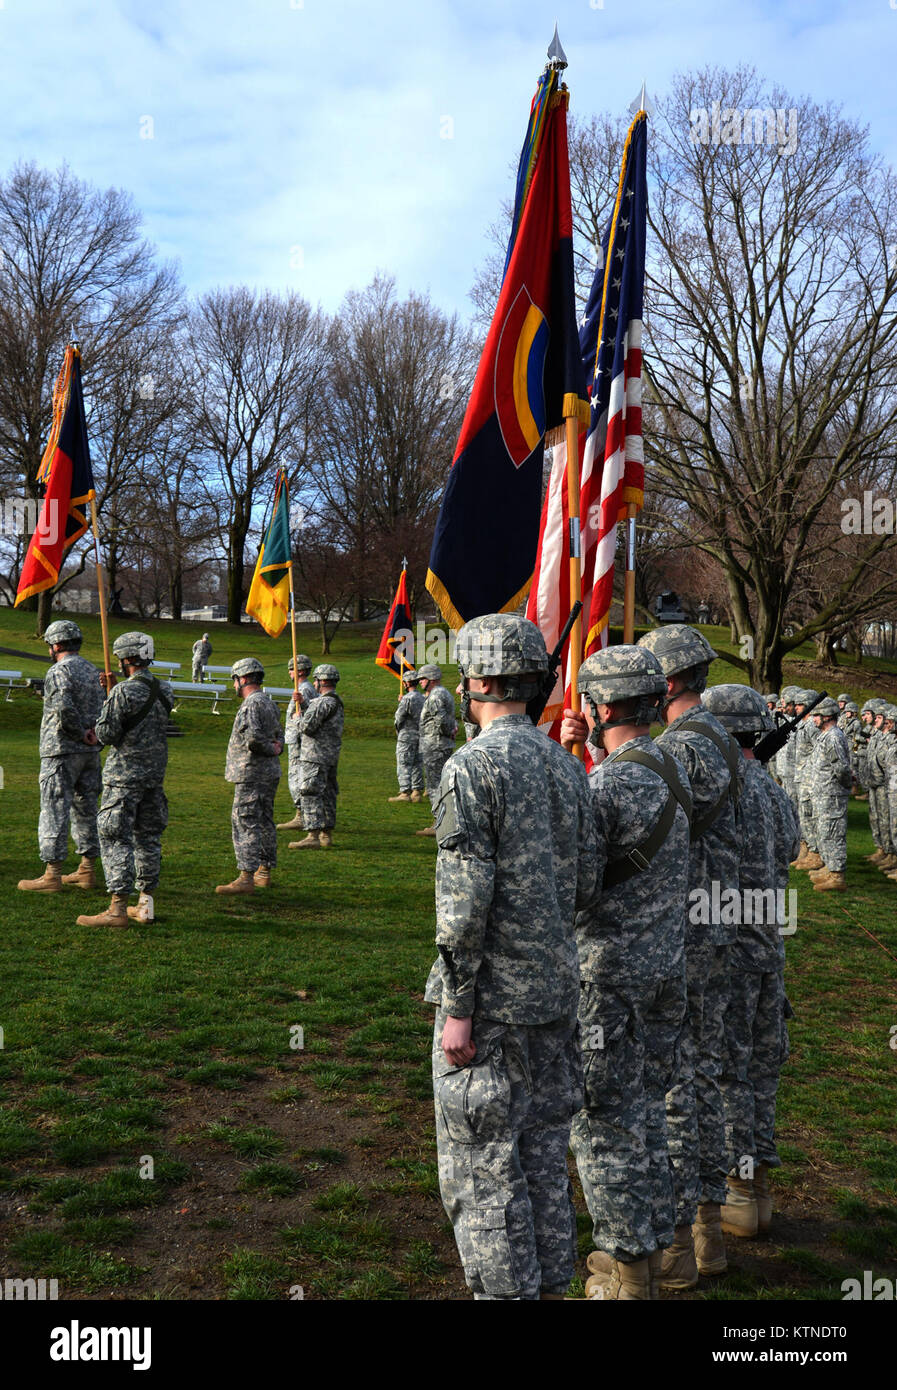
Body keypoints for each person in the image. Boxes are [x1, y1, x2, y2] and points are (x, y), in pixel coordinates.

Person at [424, 614, 598, 1300]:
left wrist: (458, 1008)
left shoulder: (472, 764)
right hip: (555, 997)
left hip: (491, 1006)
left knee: (482, 1174)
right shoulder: (563, 762)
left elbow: (463, 904)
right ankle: (546, 1287)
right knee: (540, 1162)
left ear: (483, 680)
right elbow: (586, 884)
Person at [561, 646, 691, 1301]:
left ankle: (626, 1268)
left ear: (603, 705)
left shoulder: (605, 785)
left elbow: (576, 884)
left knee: (605, 1123)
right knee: (652, 1114)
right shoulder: (672, 766)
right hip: (668, 968)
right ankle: (672, 1252)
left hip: (608, 978)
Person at [703, 686, 798, 1238]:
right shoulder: (771, 788)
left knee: (727, 1079)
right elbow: (789, 849)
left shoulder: (724, 788)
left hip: (730, 957)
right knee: (762, 1075)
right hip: (768, 952)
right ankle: (757, 1189)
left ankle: (737, 1192)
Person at [75, 632, 172, 927]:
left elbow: (106, 734)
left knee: (115, 837)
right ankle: (146, 905)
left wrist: (110, 699)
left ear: (126, 658)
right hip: (153, 776)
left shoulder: (122, 693)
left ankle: (117, 909)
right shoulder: (164, 688)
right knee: (148, 839)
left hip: (124, 777)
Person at [18, 620, 104, 894]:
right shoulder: (94, 671)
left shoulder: (58, 671)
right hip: (90, 752)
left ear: (56, 645)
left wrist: (79, 733)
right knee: (87, 809)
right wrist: (93, 735)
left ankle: (52, 874)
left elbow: (63, 709)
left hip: (62, 750)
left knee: (55, 809)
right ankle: (86, 870)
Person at [216, 658, 283, 894]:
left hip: (251, 772)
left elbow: (254, 739)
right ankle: (263, 872)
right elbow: (279, 736)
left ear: (242, 679)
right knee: (265, 821)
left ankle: (246, 877)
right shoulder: (269, 703)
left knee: (245, 821)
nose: (234, 685)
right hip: (268, 772)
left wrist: (270, 748)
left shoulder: (251, 705)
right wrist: (276, 748)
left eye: (234, 680)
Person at [289, 664, 343, 850]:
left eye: (316, 680)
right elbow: (320, 719)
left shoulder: (322, 702)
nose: (314, 683)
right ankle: (326, 834)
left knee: (310, 793)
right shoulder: (335, 700)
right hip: (329, 756)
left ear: (322, 681)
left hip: (315, 756)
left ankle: (312, 835)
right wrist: (304, 703)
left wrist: (297, 718)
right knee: (328, 794)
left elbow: (307, 727)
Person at [802, 696, 851, 893]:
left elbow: (841, 769)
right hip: (822, 794)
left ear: (828, 716)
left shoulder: (833, 737)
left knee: (833, 833)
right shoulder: (824, 735)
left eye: (817, 715)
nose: (814, 719)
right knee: (824, 832)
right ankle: (829, 868)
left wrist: (843, 787)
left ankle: (837, 876)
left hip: (832, 795)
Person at [416, 663, 457, 837]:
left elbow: (441, 720)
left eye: (422, 678)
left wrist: (448, 732)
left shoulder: (435, 696)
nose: (420, 682)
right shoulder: (443, 693)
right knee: (440, 784)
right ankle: (441, 822)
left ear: (431, 679)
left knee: (435, 786)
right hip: (440, 744)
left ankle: (439, 825)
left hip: (436, 745)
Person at [277, 655, 316, 831]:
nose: (289, 672)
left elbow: (309, 713)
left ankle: (302, 815)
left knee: (297, 776)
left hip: (300, 740)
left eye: (292, 669)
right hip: (296, 739)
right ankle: (302, 814)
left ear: (300, 670)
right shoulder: (302, 688)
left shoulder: (305, 689)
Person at [389, 667, 425, 803]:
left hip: (407, 735)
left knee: (404, 763)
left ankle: (404, 792)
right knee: (417, 763)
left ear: (407, 683)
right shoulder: (423, 698)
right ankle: (417, 792)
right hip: (420, 735)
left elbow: (399, 718)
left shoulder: (407, 699)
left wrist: (398, 729)